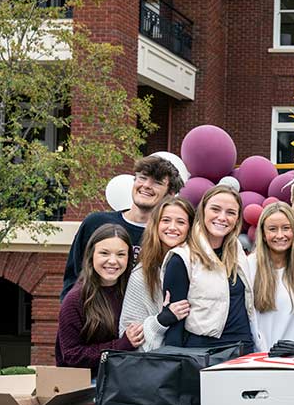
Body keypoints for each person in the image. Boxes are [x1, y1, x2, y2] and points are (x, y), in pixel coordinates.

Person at [61, 156, 184, 301]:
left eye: (157, 182)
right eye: (142, 178)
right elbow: (73, 277)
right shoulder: (96, 223)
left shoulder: (168, 236)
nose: (146, 186)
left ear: (170, 194)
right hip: (95, 317)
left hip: (141, 320)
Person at [162, 186, 262, 351]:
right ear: (203, 211)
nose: (222, 217)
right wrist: (175, 363)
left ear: (237, 219)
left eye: (230, 212)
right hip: (203, 353)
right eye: (215, 209)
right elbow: (175, 322)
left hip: (242, 348)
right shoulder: (182, 258)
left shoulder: (236, 250)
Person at [56, 224, 141, 376]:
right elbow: (71, 355)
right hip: (88, 386)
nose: (113, 261)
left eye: (121, 254)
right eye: (104, 253)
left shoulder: (133, 292)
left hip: (127, 381)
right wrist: (121, 345)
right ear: (91, 255)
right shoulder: (75, 300)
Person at [118, 196, 194, 351]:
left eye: (180, 222)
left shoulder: (200, 268)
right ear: (156, 225)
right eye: (166, 220)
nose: (172, 227)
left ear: (190, 228)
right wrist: (162, 320)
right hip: (160, 363)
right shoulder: (142, 274)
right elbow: (129, 334)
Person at [247, 202, 294, 350]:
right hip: (263, 361)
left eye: (286, 228)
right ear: (263, 235)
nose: (280, 235)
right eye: (272, 229)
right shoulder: (249, 267)